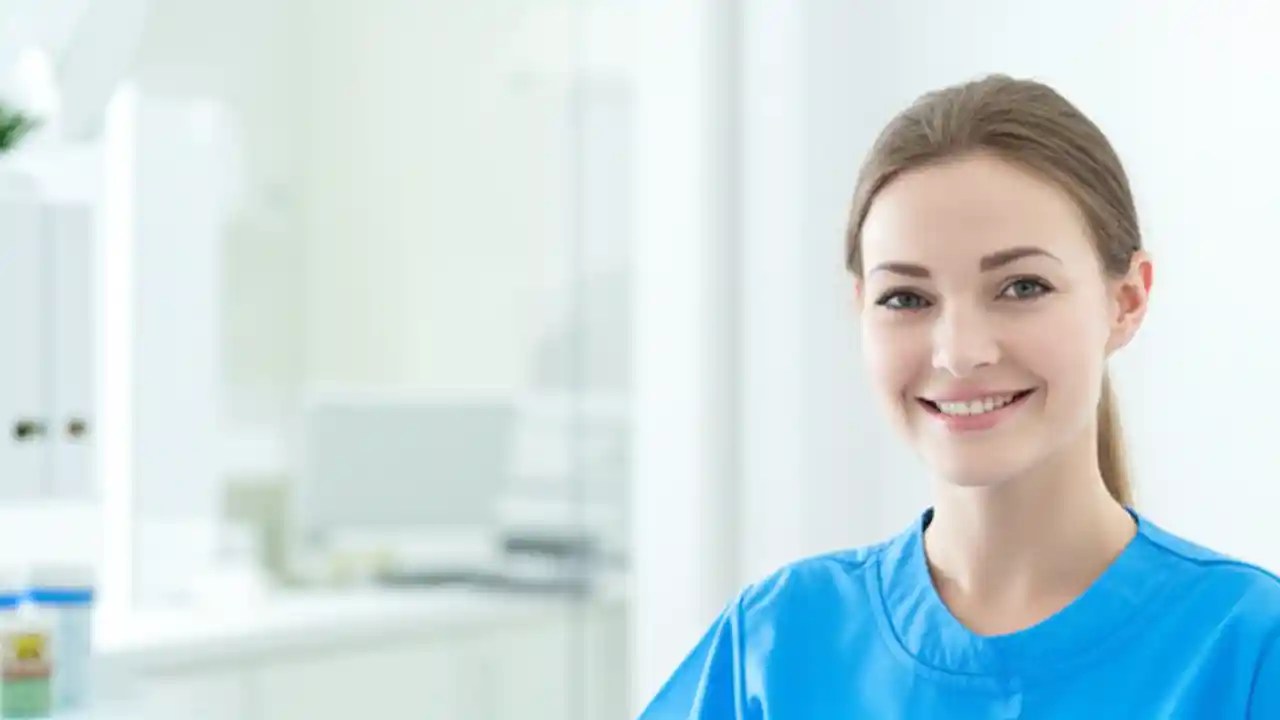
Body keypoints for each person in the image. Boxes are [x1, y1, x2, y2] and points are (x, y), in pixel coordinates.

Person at [638, 74, 1280, 718]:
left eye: (1022, 287)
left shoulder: (1249, 648)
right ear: (862, 311)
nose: (959, 351)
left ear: (1127, 299)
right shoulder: (776, 645)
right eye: (907, 298)